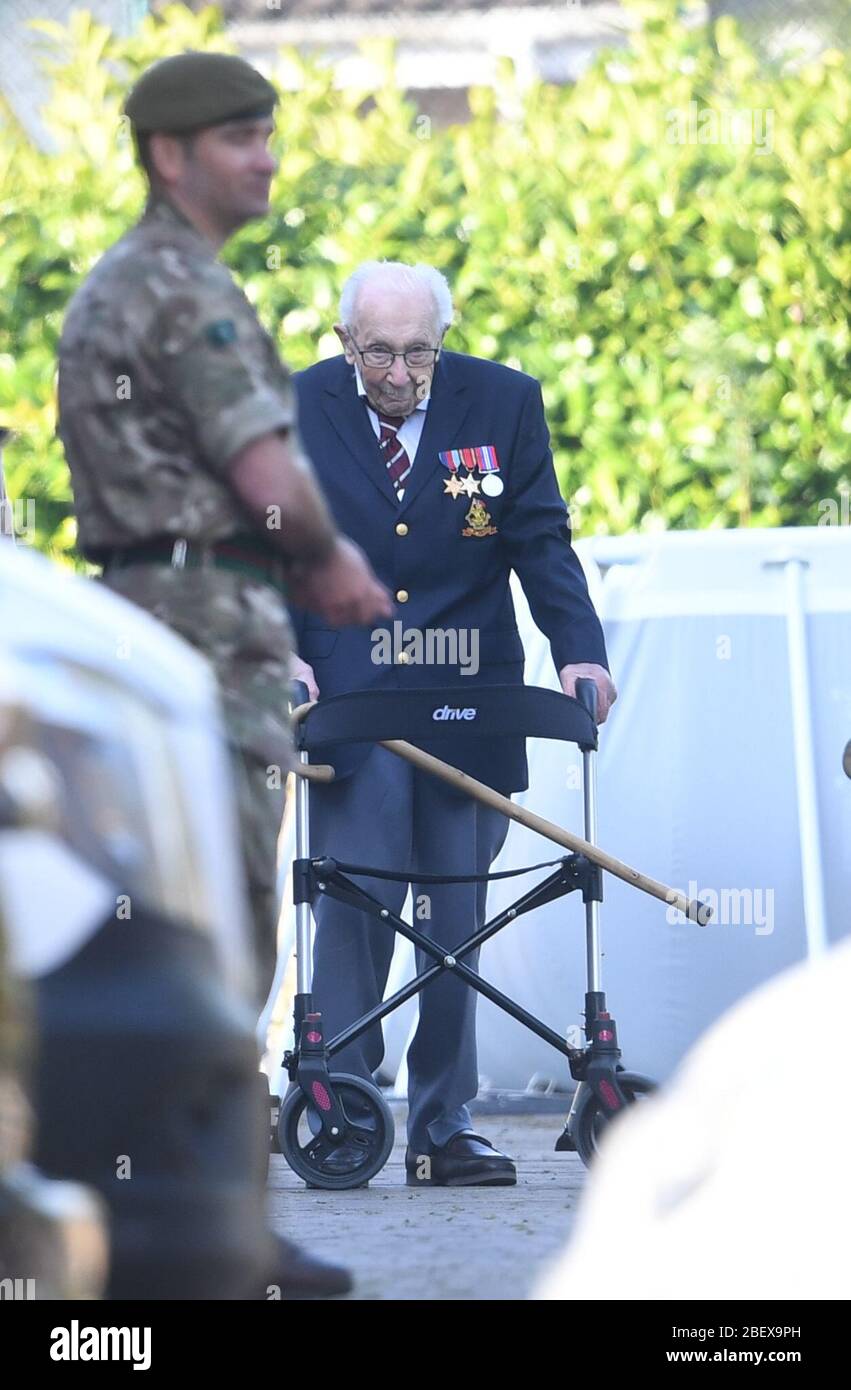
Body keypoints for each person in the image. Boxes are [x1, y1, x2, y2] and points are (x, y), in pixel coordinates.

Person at [56, 51, 391, 1298]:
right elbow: (265, 477)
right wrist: (334, 569)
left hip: (145, 619)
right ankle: (217, 1239)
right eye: (240, 137)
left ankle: (183, 1224)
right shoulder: (182, 288)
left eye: (266, 133)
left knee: (164, 927)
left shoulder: (111, 284)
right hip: (209, 626)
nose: (264, 157)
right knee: (230, 926)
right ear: (168, 155)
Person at [290, 261, 616, 1187]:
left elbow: (540, 540)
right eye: (378, 353)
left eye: (418, 352)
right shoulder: (294, 406)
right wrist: (282, 654)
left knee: (455, 915)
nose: (398, 374)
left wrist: (578, 652)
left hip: (469, 690)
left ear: (444, 335)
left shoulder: (503, 401)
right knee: (357, 902)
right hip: (352, 699)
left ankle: (444, 1123)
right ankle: (342, 1103)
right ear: (346, 339)